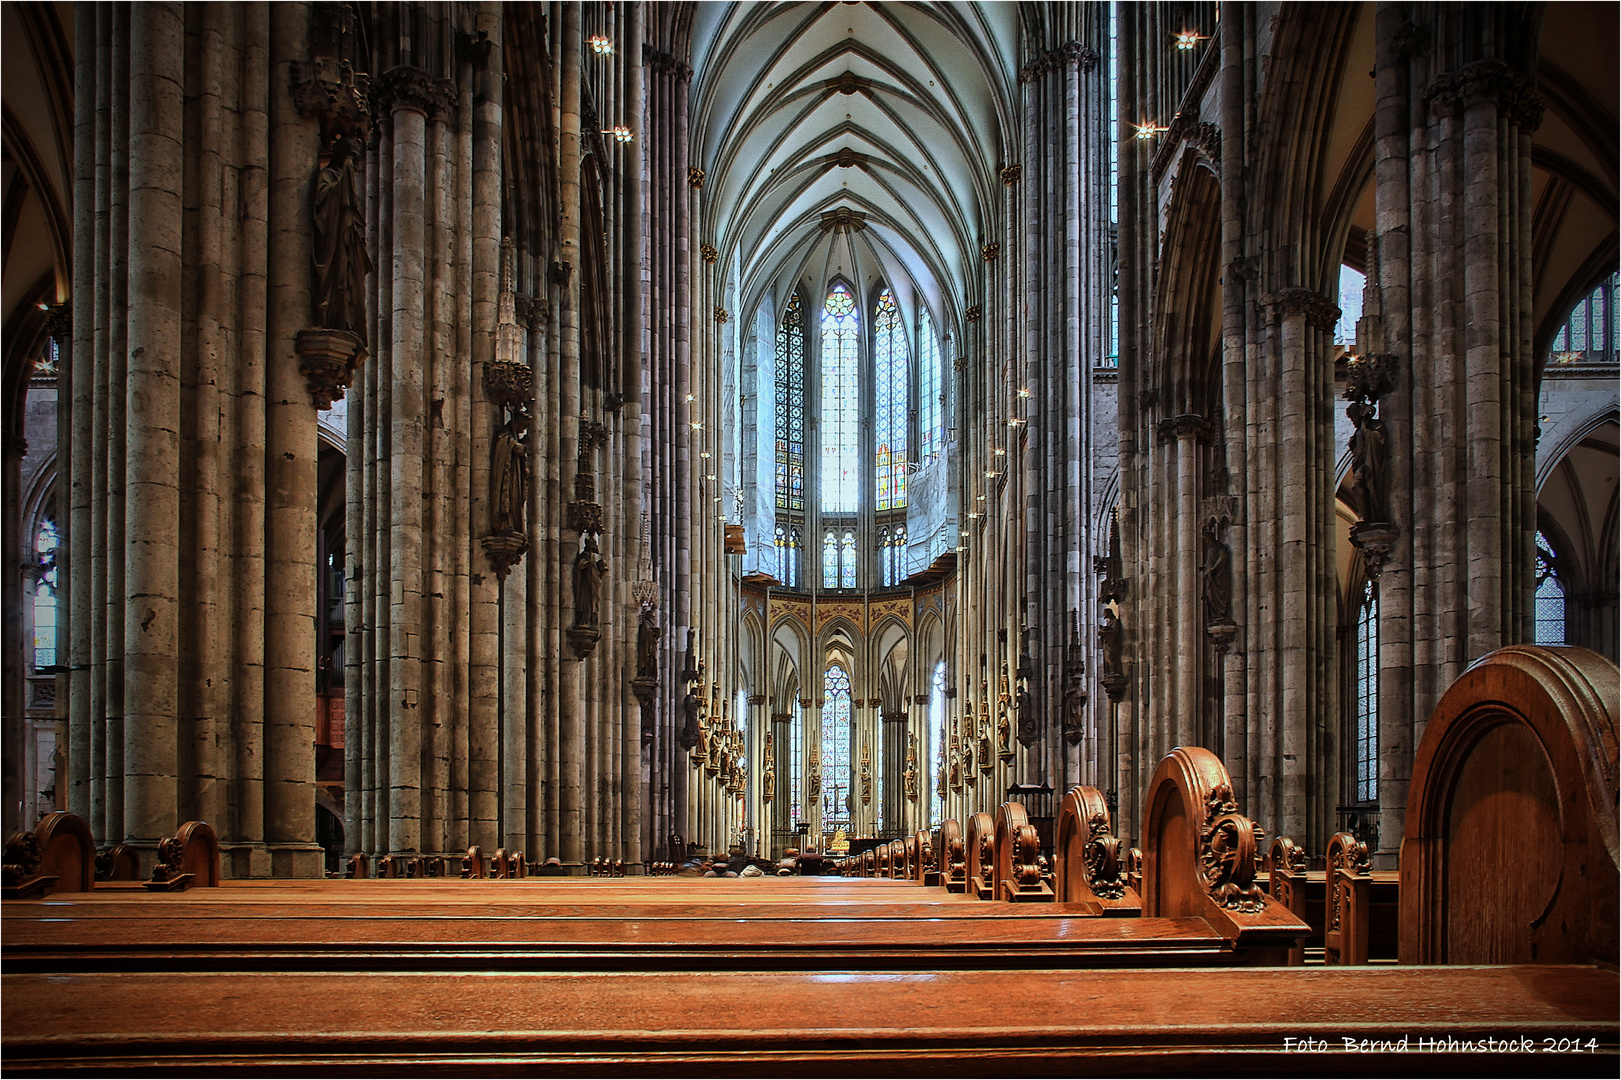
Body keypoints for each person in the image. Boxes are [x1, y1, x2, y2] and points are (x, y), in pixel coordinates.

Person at [312, 135, 373, 340]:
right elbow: (322, 206)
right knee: (335, 277)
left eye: (356, 158)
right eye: (350, 156)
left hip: (346, 248)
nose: (353, 162)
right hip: (331, 244)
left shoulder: (347, 179)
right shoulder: (328, 176)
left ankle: (346, 318)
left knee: (349, 283)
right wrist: (342, 185)